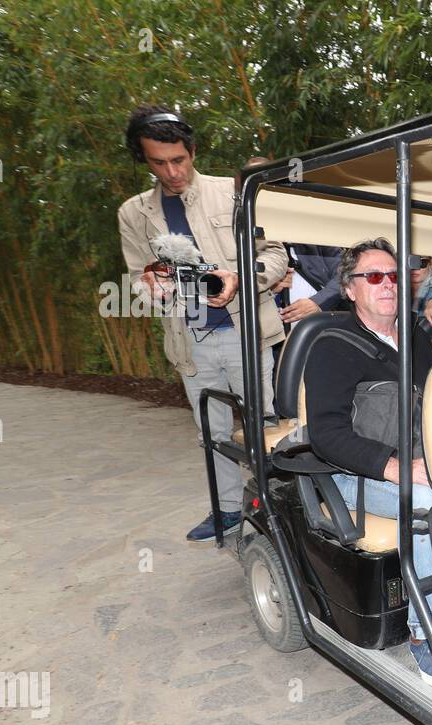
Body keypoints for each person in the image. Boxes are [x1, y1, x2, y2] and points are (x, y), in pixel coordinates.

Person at [303, 238, 432, 688]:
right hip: (358, 473)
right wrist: (396, 467)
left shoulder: (414, 336)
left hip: (421, 457)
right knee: (427, 500)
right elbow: (326, 435)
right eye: (373, 276)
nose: (387, 284)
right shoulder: (332, 345)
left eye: (393, 275)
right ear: (350, 289)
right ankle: (427, 632)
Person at [117, 107, 287, 542]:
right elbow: (138, 278)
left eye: (179, 159)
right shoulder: (134, 214)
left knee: (267, 425)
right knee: (210, 433)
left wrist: (240, 279)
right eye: (159, 162)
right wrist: (150, 285)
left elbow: (276, 256)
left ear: (192, 150)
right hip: (190, 340)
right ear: (144, 160)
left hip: (245, 333)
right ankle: (227, 509)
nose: (172, 172)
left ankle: (281, 509)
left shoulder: (234, 193)